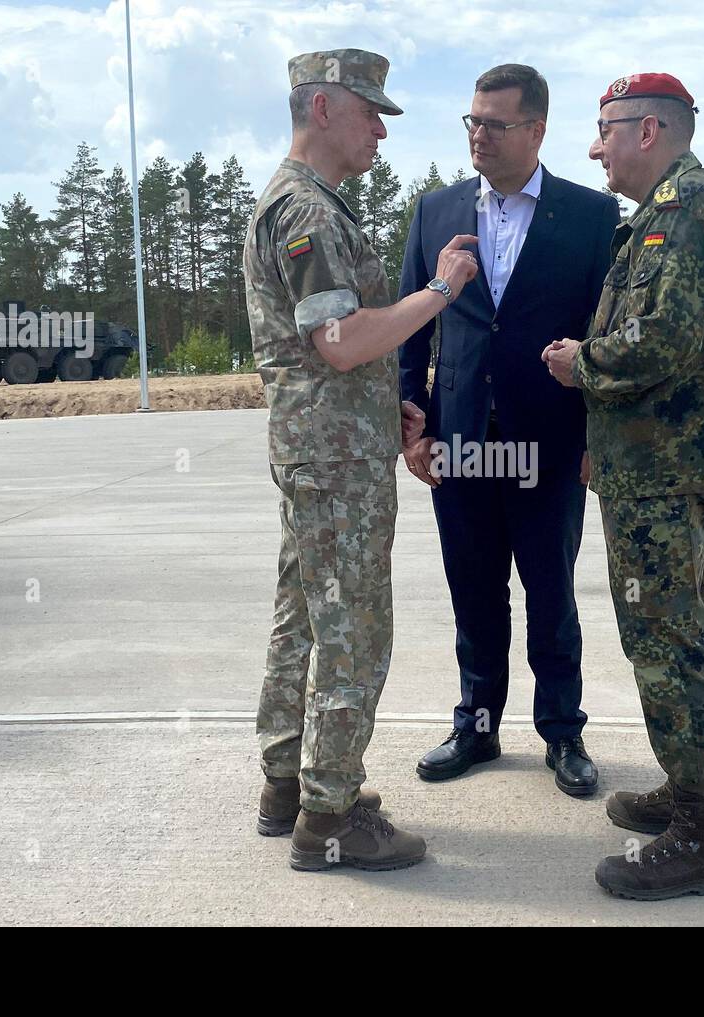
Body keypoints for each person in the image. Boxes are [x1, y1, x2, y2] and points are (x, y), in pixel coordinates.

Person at [245, 47, 478, 872]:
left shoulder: (306, 204)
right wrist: (441, 289)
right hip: (334, 466)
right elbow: (339, 342)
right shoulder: (304, 212)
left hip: (323, 449)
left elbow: (331, 350)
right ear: (322, 110)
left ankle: (290, 782)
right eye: (369, 110)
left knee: (303, 617)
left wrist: (389, 402)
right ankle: (330, 816)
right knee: (353, 631)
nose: (382, 129)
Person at [543, 72, 704, 899]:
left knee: (668, 638)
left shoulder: (686, 209)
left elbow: (663, 338)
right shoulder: (668, 211)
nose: (593, 148)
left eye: (604, 130)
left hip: (665, 468)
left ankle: (703, 830)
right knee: (665, 631)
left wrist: (579, 364)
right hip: (648, 462)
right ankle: (686, 789)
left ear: (648, 131)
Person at [399, 64, 621, 796]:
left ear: (536, 130)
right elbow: (412, 328)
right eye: (471, 122)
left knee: (550, 594)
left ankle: (563, 731)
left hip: (548, 442)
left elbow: (606, 331)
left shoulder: (591, 218)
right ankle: (478, 725)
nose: (478, 137)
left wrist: (597, 436)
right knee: (474, 591)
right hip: (460, 441)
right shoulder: (435, 211)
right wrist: (414, 422)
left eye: (494, 124)